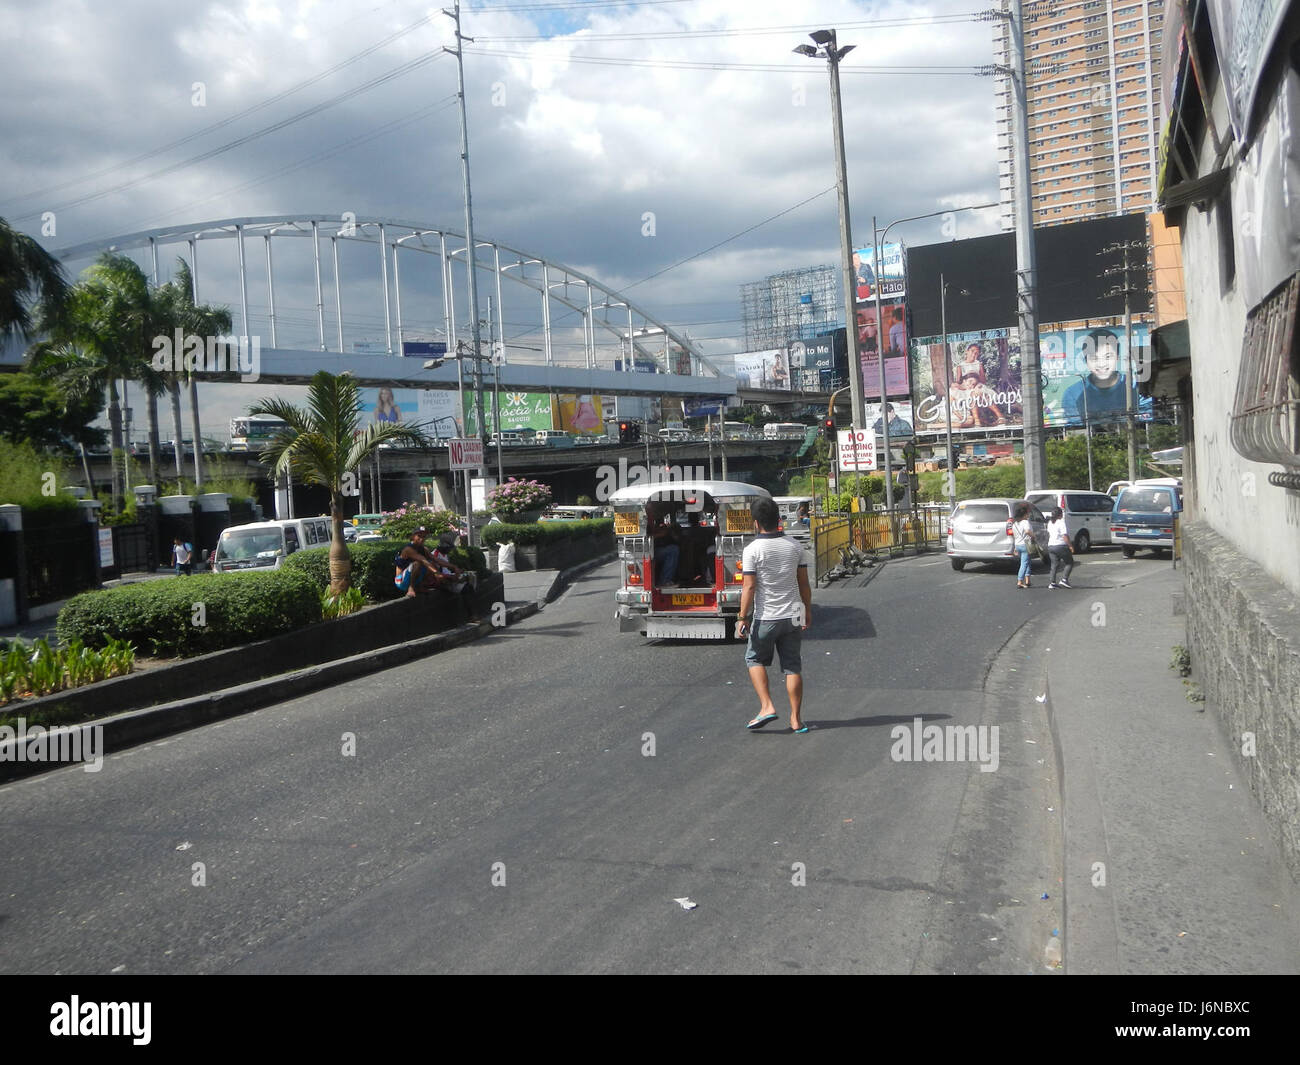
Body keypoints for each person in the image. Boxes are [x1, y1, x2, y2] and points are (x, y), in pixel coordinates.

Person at [739, 497, 813, 733]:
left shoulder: (752, 550)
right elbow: (804, 584)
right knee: (792, 667)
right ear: (779, 520)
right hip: (793, 614)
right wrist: (806, 610)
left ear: (755, 523)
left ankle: (767, 706)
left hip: (766, 616)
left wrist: (742, 617)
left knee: (754, 659)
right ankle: (796, 720)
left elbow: (749, 587)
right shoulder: (794, 546)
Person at [1062, 329, 1128, 425]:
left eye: (1108, 357)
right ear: (1086, 361)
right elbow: (1074, 430)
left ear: (1117, 357)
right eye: (1094, 358)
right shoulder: (1072, 394)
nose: (1101, 364)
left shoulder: (1135, 387)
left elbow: (1146, 420)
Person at [431, 530, 482, 622]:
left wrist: (459, 572)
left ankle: (475, 612)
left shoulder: (445, 555)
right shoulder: (435, 555)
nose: (450, 550)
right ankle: (472, 615)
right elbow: (437, 573)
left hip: (451, 577)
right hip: (444, 581)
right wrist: (454, 578)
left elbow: (447, 569)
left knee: (471, 579)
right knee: (467, 588)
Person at [394, 527, 443, 597]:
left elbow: (436, 559)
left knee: (432, 563)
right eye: (419, 536)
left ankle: (420, 586)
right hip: (400, 581)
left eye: (424, 536)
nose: (422, 538)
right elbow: (423, 560)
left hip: (413, 579)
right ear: (412, 537)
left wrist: (453, 567)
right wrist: (436, 573)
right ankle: (411, 588)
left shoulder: (424, 549)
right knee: (418, 563)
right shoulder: (408, 549)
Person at [646, 501, 679, 587]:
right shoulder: (645, 522)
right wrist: (660, 534)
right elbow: (647, 536)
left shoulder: (653, 522)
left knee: (674, 548)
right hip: (648, 551)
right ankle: (665, 581)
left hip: (655, 549)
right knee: (673, 550)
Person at [1046, 507, 1074, 589]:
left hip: (1051, 545)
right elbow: (1064, 536)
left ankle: (1052, 582)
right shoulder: (1061, 523)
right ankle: (1064, 580)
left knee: (1054, 564)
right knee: (1069, 562)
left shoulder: (1050, 523)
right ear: (1060, 515)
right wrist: (1070, 546)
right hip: (1060, 545)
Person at [1012, 502, 1034, 589]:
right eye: (1027, 513)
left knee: (1027, 561)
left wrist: (1014, 547)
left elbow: (1014, 536)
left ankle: (1028, 580)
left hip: (1018, 545)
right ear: (1024, 515)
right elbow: (1028, 531)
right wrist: (1034, 536)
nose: (1028, 515)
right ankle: (1020, 581)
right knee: (1024, 563)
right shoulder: (1025, 522)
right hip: (1025, 545)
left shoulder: (1015, 524)